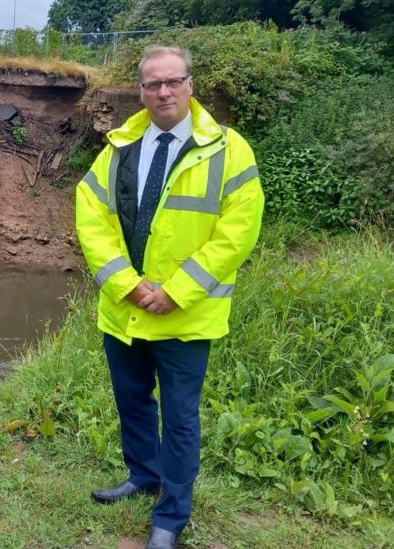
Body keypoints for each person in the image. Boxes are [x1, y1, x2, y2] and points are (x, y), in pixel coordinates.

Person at [74, 46, 264, 549]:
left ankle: (171, 518)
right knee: (132, 402)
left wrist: (176, 291)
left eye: (172, 81)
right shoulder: (118, 147)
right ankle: (143, 475)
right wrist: (127, 285)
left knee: (179, 418)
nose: (163, 92)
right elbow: (91, 218)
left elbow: (238, 231)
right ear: (140, 91)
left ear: (190, 84)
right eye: (153, 84)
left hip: (186, 316)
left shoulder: (228, 149)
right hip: (125, 310)